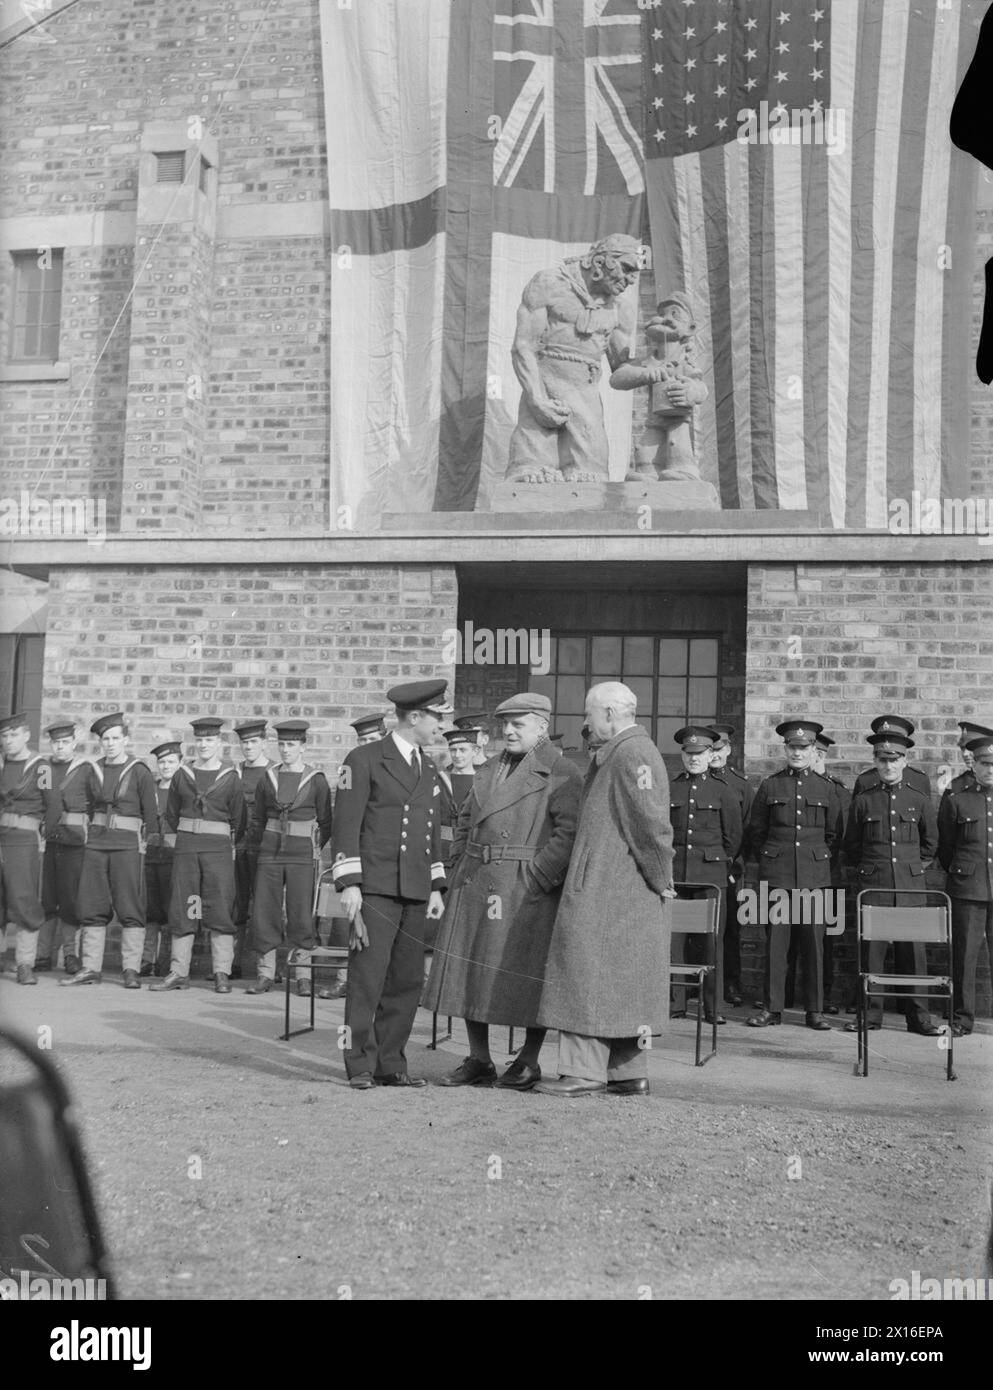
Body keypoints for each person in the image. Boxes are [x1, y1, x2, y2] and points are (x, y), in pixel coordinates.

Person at [425, 693, 582, 1091]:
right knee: (469, 971)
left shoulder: (562, 772)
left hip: (525, 887)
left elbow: (568, 833)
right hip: (475, 880)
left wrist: (538, 877)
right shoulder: (489, 768)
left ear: (542, 726)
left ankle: (528, 1062)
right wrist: (458, 866)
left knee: (527, 975)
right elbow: (465, 822)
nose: (508, 731)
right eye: (505, 725)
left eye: (519, 724)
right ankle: (480, 1058)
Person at [534, 682, 676, 1098]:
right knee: (621, 980)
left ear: (610, 714)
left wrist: (661, 878)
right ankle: (626, 1072)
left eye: (589, 714)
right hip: (619, 889)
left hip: (610, 889)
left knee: (584, 971)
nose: (583, 722)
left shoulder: (631, 753)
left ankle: (583, 1072)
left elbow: (652, 826)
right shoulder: (624, 752)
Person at [330, 681, 450, 1089]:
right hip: (376, 887)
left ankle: (390, 1063)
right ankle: (359, 1063)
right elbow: (345, 824)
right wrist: (349, 883)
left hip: (415, 888)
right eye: (437, 716)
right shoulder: (363, 759)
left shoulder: (428, 767)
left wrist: (435, 886)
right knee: (368, 979)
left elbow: (430, 830)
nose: (441, 724)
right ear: (414, 717)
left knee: (406, 980)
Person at [507, 233, 641, 483]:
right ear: (601, 262)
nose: (631, 280)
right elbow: (524, 346)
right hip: (544, 391)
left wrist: (655, 370)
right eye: (627, 269)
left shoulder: (621, 309)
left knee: (591, 482)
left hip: (586, 401)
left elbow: (620, 371)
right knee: (532, 480)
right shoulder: (549, 283)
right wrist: (537, 400)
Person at [745, 720, 844, 1031]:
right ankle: (772, 1008)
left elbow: (833, 835)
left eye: (804, 748)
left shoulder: (827, 789)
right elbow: (757, 832)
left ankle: (814, 1011)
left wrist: (813, 859)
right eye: (792, 747)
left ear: (814, 750)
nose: (798, 752)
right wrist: (774, 859)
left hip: (814, 877)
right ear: (785, 748)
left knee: (814, 945)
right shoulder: (770, 786)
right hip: (777, 876)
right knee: (775, 944)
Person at [843, 730, 941, 1036]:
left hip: (910, 889)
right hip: (876, 886)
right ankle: (869, 1016)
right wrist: (871, 870)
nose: (888, 766)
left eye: (894, 759)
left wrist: (912, 870)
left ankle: (919, 1018)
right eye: (883, 760)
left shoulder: (920, 799)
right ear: (875, 761)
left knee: (914, 955)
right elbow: (852, 846)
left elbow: (931, 844)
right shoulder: (863, 801)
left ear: (905, 760)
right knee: (871, 954)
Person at [61, 712, 158, 989]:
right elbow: (88, 807)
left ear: (126, 740)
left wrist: (146, 845)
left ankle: (131, 969)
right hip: (96, 844)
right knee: (92, 904)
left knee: (130, 905)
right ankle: (91, 967)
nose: (111, 743)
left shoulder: (139, 771)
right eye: (106, 739)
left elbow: (151, 815)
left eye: (116, 738)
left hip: (127, 845)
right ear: (100, 742)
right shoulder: (93, 770)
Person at [151, 716, 245, 994]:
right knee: (184, 906)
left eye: (209, 740)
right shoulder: (182, 774)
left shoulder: (230, 777)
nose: (204, 745)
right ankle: (179, 972)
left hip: (217, 850)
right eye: (200, 740)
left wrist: (220, 840)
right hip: (187, 848)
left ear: (219, 743)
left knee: (219, 906)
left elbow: (239, 819)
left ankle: (221, 972)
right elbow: (171, 813)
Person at [245, 720, 332, 997]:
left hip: (302, 855)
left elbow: (326, 822)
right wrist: (263, 847)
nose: (285, 750)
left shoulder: (316, 780)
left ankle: (303, 975)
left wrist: (310, 846)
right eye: (281, 744)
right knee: (265, 911)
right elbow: (257, 818)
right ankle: (265, 973)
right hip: (269, 853)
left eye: (291, 745)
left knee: (301, 912)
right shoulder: (267, 778)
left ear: (303, 747)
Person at [668, 726, 742, 1026]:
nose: (694, 759)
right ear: (682, 755)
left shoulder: (723, 791)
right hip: (676, 875)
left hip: (711, 877)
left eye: (699, 754)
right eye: (689, 753)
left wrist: (719, 863)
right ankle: (675, 1004)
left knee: (712, 942)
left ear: (711, 754)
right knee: (674, 942)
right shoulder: (671, 789)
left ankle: (713, 1007)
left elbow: (733, 838)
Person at [317, 713, 388, 1001]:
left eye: (373, 739)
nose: (367, 745)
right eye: (363, 740)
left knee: (382, 923)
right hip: (355, 855)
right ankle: (344, 978)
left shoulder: (396, 770)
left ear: (384, 737)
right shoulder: (353, 768)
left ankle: (380, 984)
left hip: (385, 859)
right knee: (345, 920)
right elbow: (344, 820)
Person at [790, 732, 851, 1015]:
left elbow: (840, 836)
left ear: (820, 755)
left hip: (827, 875)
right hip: (793, 872)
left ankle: (822, 998)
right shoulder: (787, 785)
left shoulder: (835, 789)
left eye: (815, 753)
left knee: (823, 940)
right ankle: (786, 996)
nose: (809, 757)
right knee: (787, 937)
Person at [937, 732, 993, 1036]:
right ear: (975, 764)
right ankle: (962, 1017)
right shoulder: (956, 794)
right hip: (968, 888)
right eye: (985, 764)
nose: (991, 770)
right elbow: (946, 846)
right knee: (964, 956)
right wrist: (963, 872)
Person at [0, 712, 51, 985]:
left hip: (23, 839)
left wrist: (43, 834)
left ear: (26, 735)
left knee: (23, 899)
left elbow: (52, 805)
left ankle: (24, 963)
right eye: (4, 736)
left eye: (14, 735)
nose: (8, 741)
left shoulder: (40, 768)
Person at [37, 718, 90, 975]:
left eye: (65, 742)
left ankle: (70, 954)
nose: (60, 747)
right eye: (56, 742)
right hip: (50, 841)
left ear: (74, 742)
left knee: (69, 900)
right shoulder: (44, 769)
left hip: (75, 842)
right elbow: (41, 801)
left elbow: (93, 803)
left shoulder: (85, 769)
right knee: (47, 899)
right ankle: (43, 955)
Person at [706, 722, 753, 1007]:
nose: (714, 753)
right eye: (710, 748)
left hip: (731, 870)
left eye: (719, 748)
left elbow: (746, 830)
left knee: (730, 930)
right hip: (703, 867)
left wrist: (733, 864)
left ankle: (730, 984)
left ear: (729, 750)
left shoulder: (740, 786)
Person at [232, 719, 272, 979]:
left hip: (264, 848)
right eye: (244, 742)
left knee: (264, 907)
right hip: (237, 846)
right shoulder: (234, 772)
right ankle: (232, 963)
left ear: (264, 743)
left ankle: (266, 969)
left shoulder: (273, 772)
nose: (248, 747)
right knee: (236, 904)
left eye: (253, 741)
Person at [141, 741, 182, 977]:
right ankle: (148, 960)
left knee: (173, 910)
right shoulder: (151, 789)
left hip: (175, 858)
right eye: (162, 762)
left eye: (171, 762)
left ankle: (169, 962)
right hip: (151, 855)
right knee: (151, 910)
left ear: (179, 763)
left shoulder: (184, 789)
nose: (166, 766)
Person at [853, 716, 931, 797]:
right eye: (883, 759)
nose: (889, 766)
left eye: (896, 739)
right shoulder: (865, 780)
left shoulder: (919, 779)